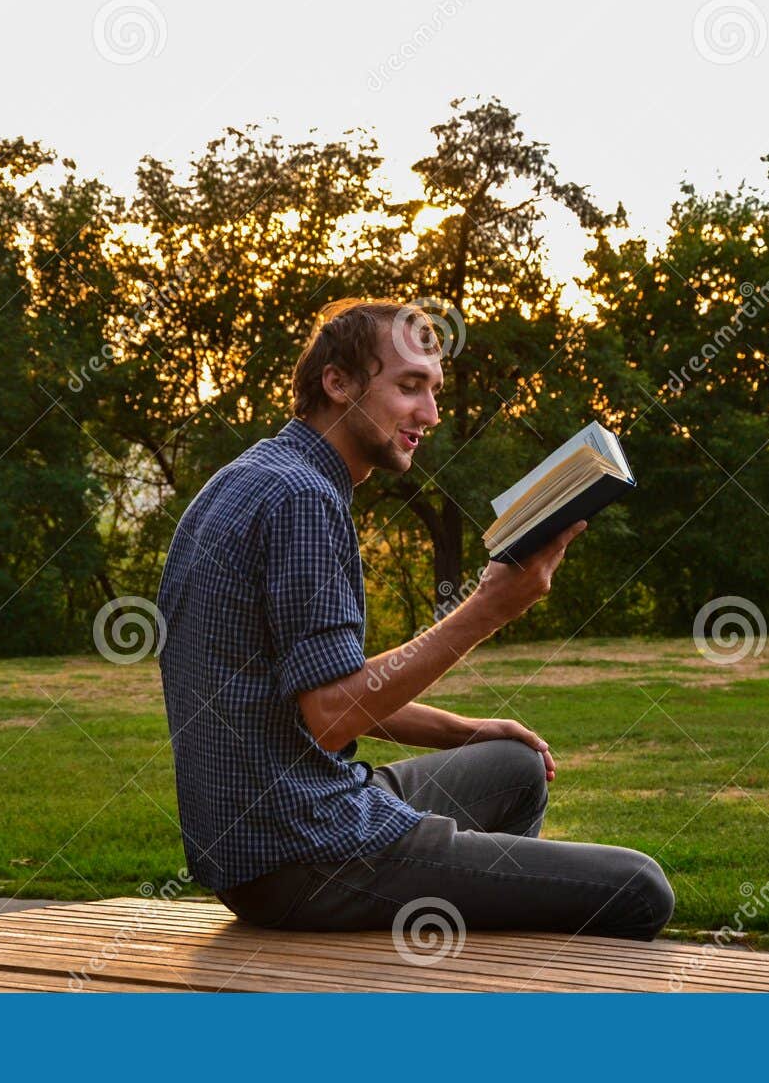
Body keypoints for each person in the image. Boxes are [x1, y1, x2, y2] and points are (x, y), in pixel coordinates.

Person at [155, 297, 674, 940]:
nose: (428, 414)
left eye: (432, 390)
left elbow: (313, 691)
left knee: (513, 763)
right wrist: (490, 608)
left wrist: (466, 729)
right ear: (337, 382)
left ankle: (455, 949)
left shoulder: (253, 477)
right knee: (640, 890)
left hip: (268, 838)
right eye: (408, 387)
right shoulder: (304, 500)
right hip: (307, 852)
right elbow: (334, 717)